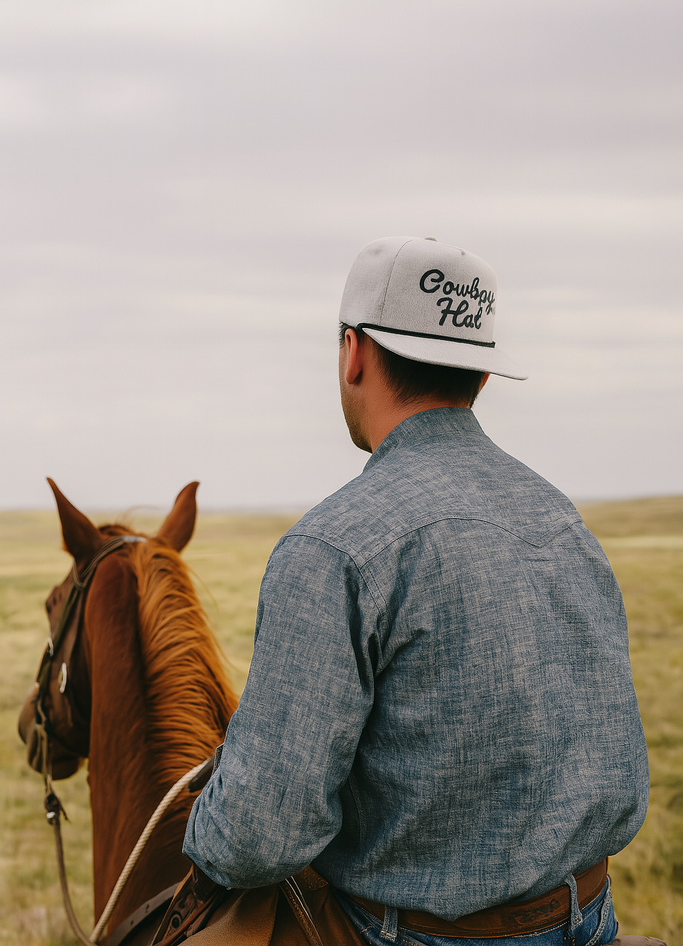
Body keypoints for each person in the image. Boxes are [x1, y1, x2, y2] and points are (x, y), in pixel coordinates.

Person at [184, 236, 650, 946]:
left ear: (353, 353)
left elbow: (257, 840)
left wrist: (206, 820)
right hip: (588, 916)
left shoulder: (332, 545)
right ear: (481, 376)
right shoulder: (560, 517)